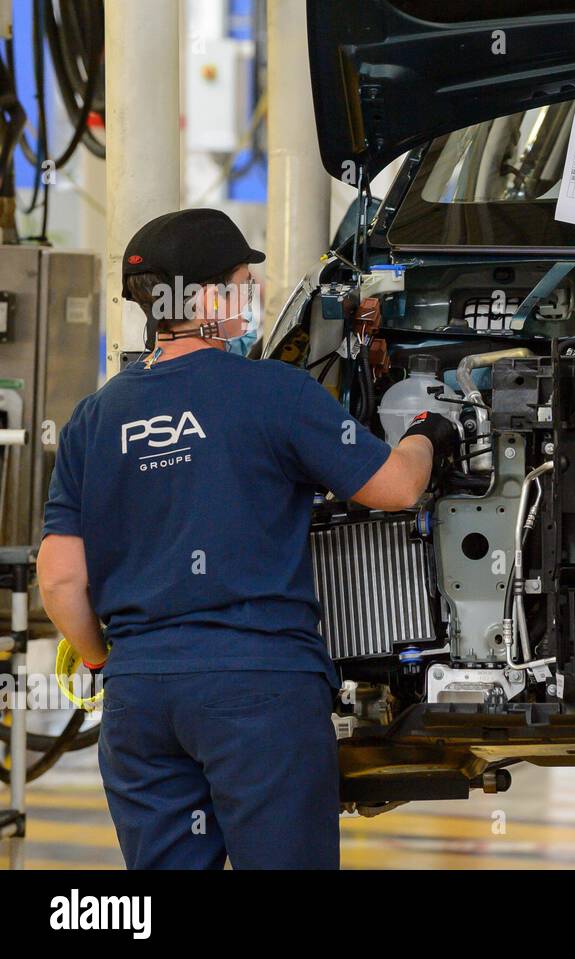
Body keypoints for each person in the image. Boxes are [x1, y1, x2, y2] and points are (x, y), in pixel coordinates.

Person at [36, 208, 458, 868]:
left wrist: (104, 664)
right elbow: (398, 487)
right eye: (240, 280)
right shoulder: (274, 393)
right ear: (201, 298)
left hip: (140, 698)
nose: (252, 294)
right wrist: (430, 430)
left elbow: (60, 576)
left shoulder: (94, 418)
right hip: (258, 687)